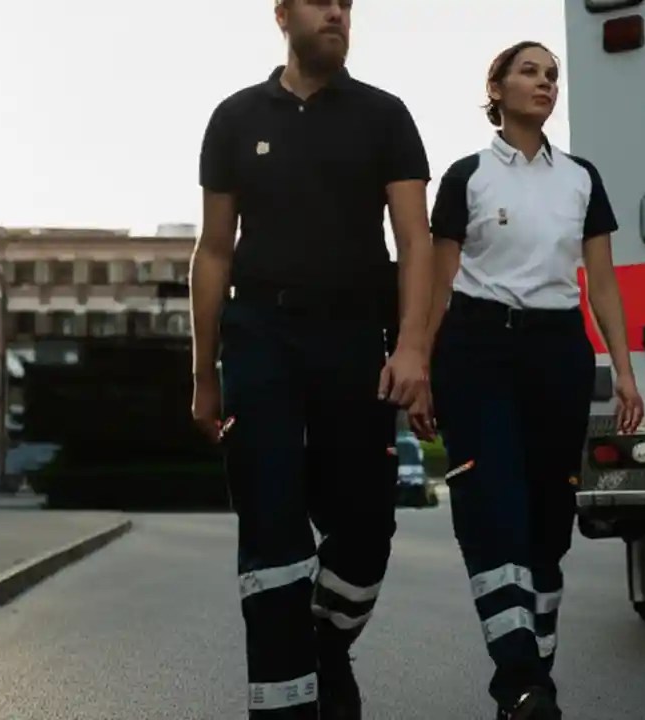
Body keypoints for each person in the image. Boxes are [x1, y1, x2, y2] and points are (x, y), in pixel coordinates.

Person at [189, 0, 434, 717]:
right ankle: (284, 705)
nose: (336, 12)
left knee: (365, 527)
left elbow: (415, 240)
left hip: (355, 338)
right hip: (260, 334)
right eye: (321, 1)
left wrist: (413, 345)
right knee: (271, 524)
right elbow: (212, 250)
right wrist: (204, 374)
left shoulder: (384, 115)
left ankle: (325, 650)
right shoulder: (235, 118)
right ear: (282, 14)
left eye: (346, 4)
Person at [413, 40, 644, 719]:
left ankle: (530, 678)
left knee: (547, 525)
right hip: (478, 348)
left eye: (553, 75)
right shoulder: (468, 177)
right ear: (498, 86)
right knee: (496, 510)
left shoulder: (581, 179)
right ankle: (517, 675)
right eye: (530, 71)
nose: (545, 83)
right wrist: (418, 364)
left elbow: (601, 283)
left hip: (558, 353)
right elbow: (439, 279)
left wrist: (625, 374)